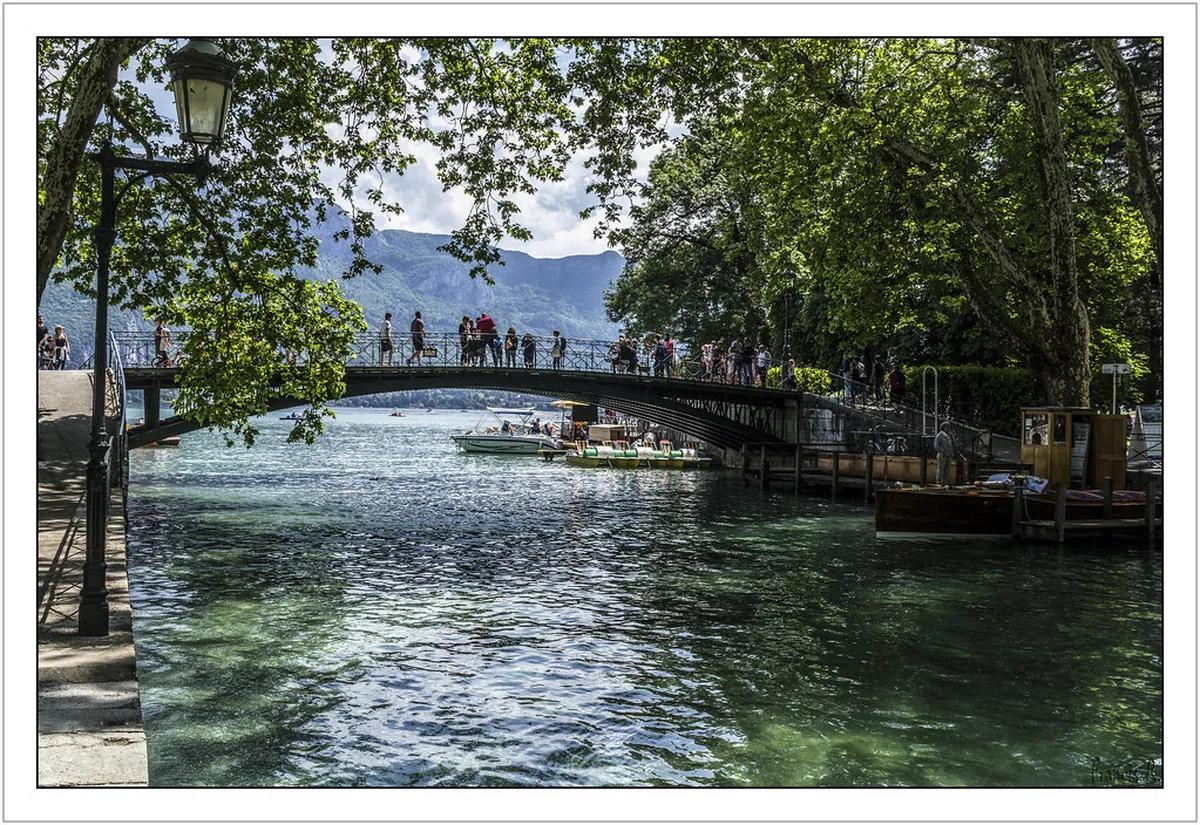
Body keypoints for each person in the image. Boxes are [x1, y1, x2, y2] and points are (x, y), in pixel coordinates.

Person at [934, 421, 956, 485]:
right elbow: (936, 445)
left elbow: (953, 444)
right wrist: (941, 450)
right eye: (946, 427)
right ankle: (939, 481)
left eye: (949, 427)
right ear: (943, 427)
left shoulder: (949, 435)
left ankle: (945, 481)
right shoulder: (940, 435)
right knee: (941, 468)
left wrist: (953, 436)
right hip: (942, 454)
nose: (948, 428)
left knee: (947, 469)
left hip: (949, 454)